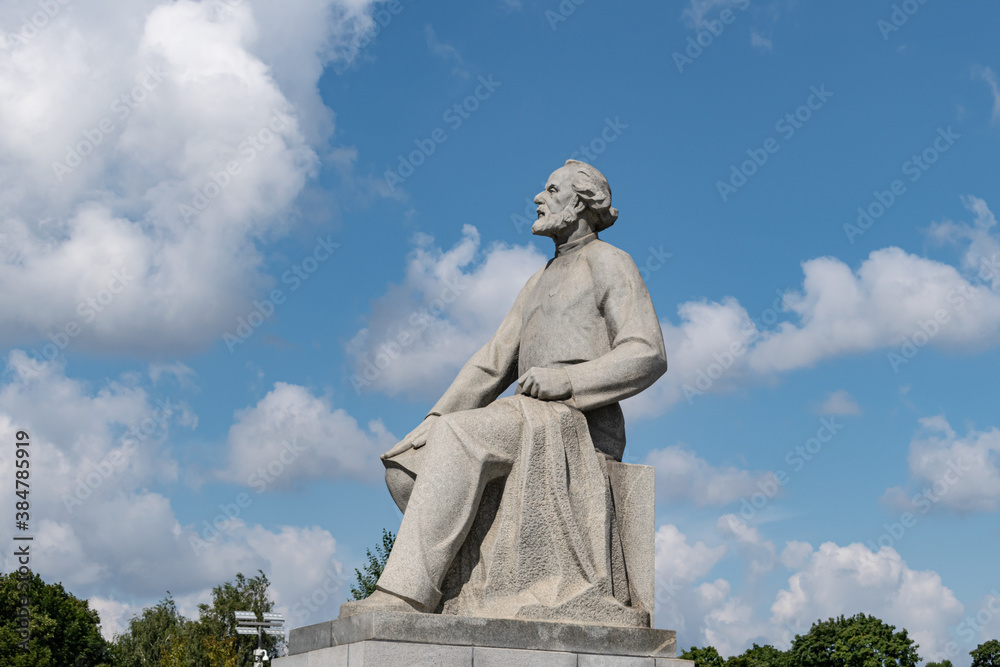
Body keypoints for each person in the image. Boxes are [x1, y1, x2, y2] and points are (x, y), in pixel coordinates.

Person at [340, 160, 667, 626]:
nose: (538, 198)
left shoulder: (611, 262)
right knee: (407, 466)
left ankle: (404, 595)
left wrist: (570, 382)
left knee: (458, 438)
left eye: (550, 190)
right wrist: (434, 420)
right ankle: (464, 591)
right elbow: (492, 362)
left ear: (579, 203)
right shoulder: (538, 279)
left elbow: (647, 352)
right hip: (524, 416)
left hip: (577, 424)